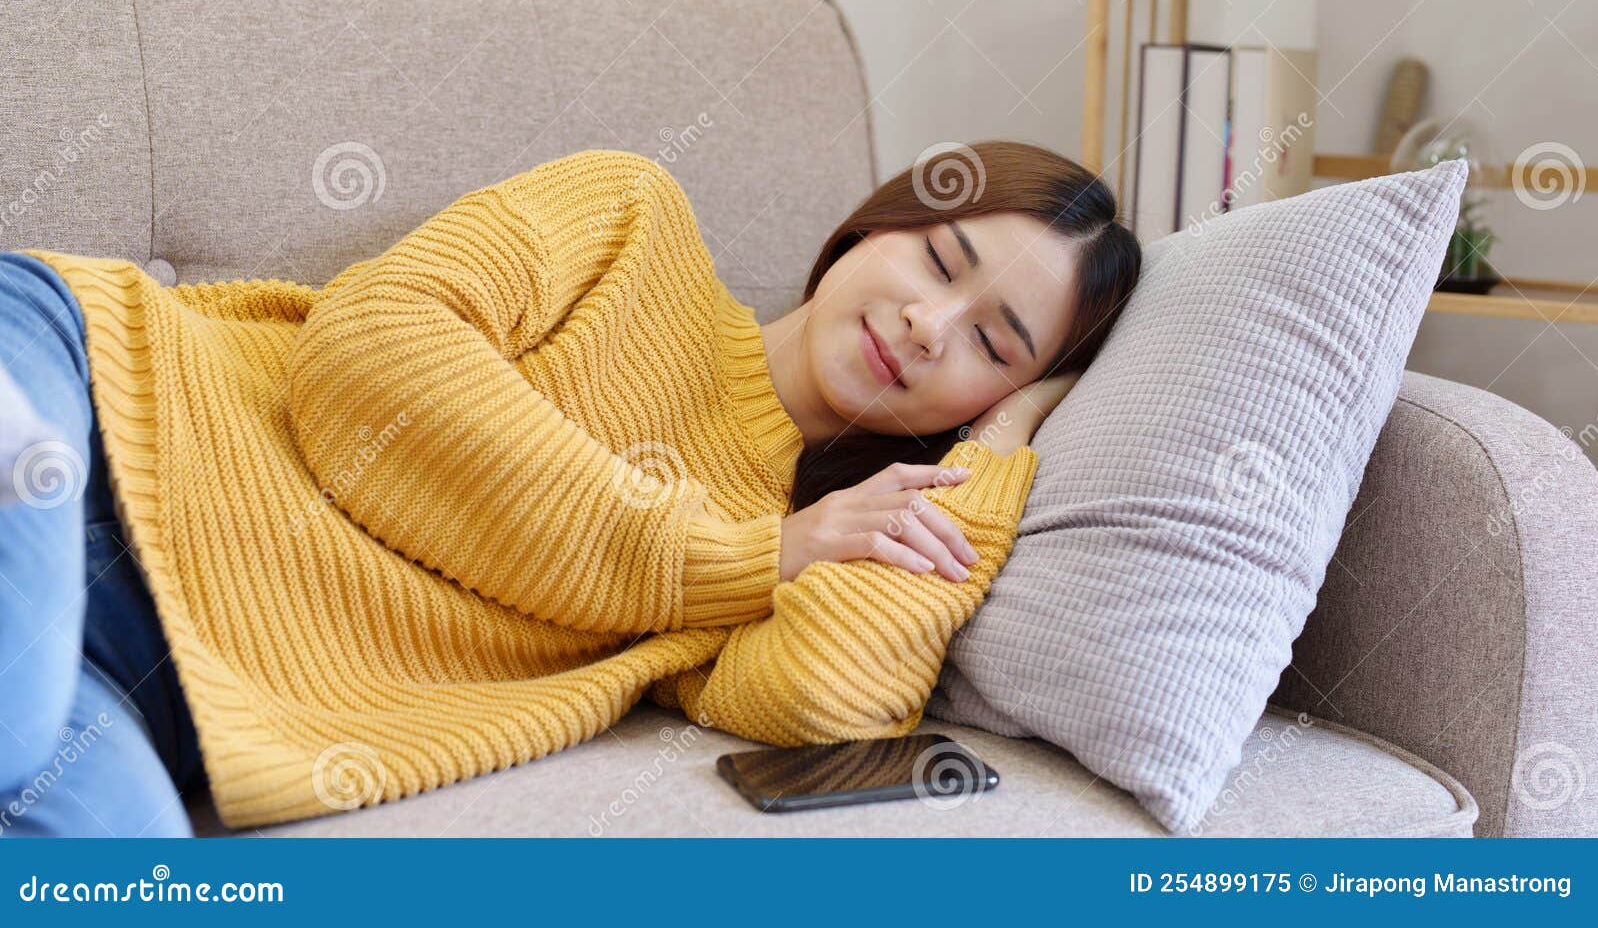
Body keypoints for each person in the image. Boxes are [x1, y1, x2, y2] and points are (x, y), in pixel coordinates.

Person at [0, 140, 1139, 837]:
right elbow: (369, 351)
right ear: (872, 227)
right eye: (937, 260)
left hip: (156, 688)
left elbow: (821, 705)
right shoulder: (633, 222)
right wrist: (745, 554)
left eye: (994, 345)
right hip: (86, 397)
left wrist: (999, 446)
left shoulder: (795, 556)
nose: (930, 324)